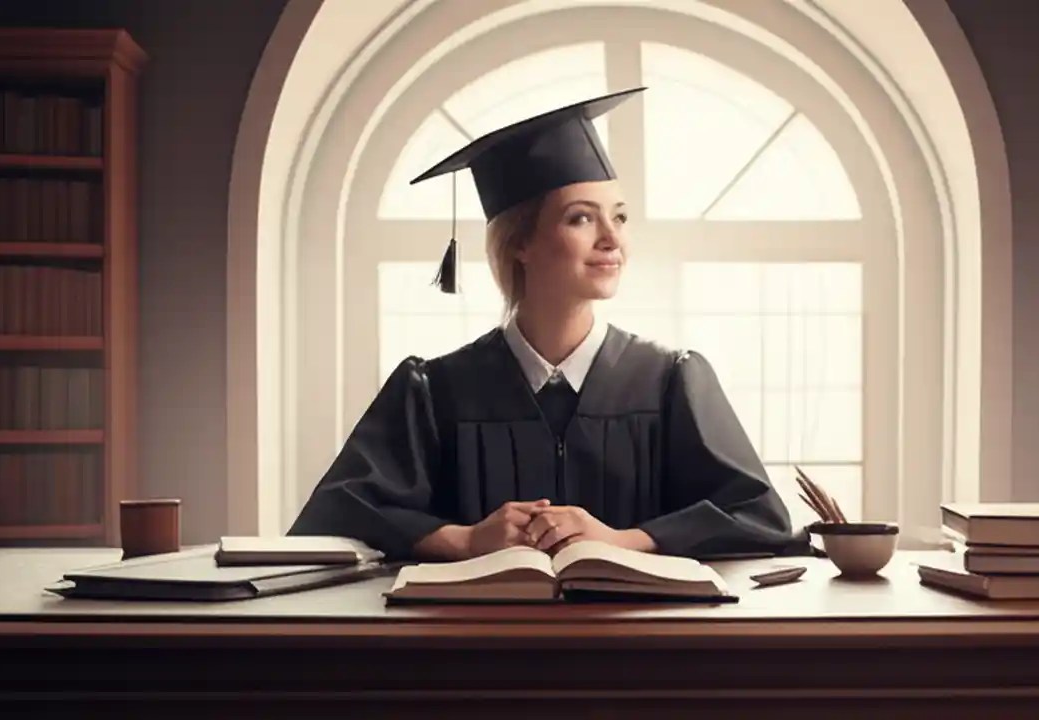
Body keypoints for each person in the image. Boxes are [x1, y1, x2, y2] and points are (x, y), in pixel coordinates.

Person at [289, 87, 806, 561]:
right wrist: (465, 540)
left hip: (637, 634)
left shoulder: (669, 381)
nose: (612, 239)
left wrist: (624, 541)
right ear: (520, 243)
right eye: (581, 218)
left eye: (619, 217)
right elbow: (337, 514)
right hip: (476, 635)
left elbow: (758, 517)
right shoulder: (436, 391)